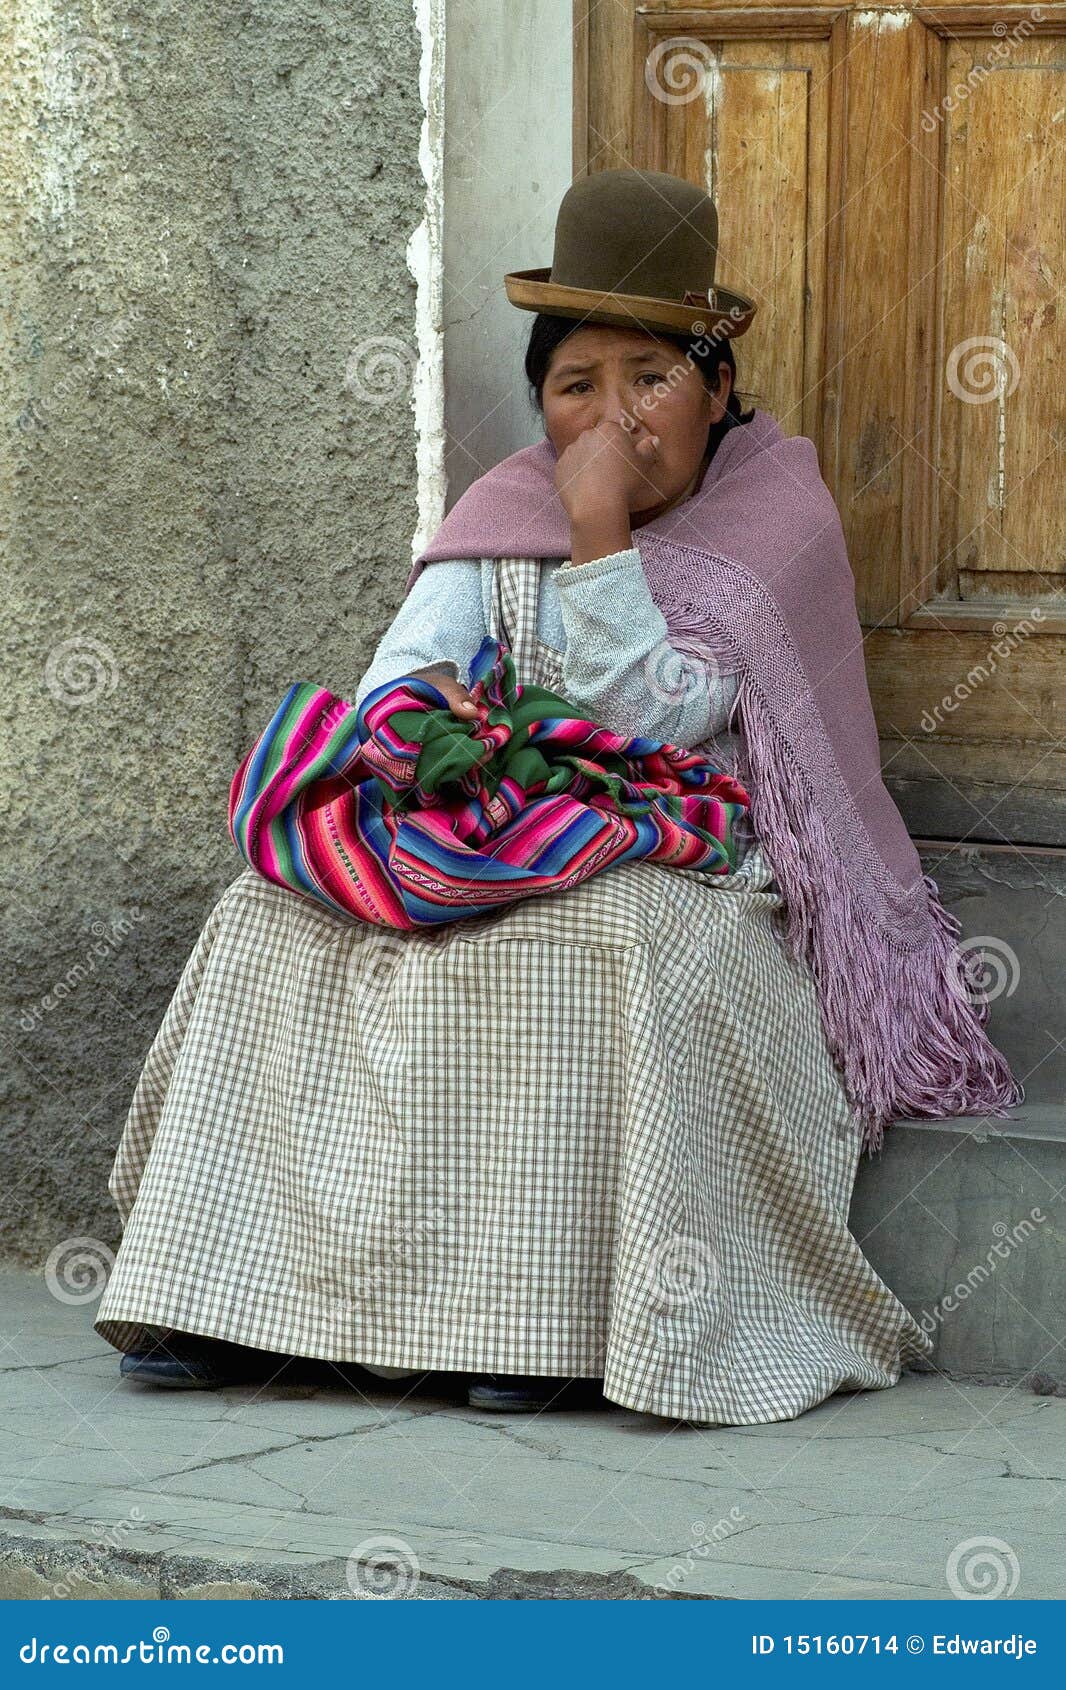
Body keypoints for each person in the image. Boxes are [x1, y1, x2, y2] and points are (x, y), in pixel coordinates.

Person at [94, 169, 1020, 1420]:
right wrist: (447, 752)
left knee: (598, 932)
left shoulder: (776, 520)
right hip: (511, 841)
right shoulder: (506, 507)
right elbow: (397, 692)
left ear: (718, 388)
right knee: (267, 917)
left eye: (651, 378)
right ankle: (220, 1295)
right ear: (542, 404)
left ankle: (533, 1327)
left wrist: (598, 545)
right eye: (576, 387)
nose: (614, 419)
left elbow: (655, 718)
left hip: (703, 879)